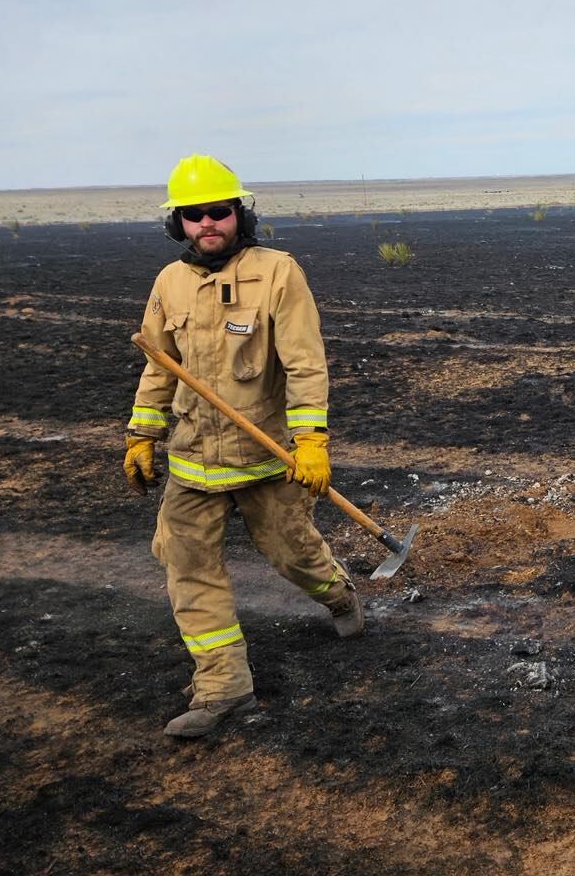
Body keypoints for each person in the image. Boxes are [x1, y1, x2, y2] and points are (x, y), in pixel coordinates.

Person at [123, 153, 363, 739]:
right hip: (192, 459)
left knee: (294, 556)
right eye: (193, 214)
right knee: (188, 569)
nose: (207, 223)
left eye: (218, 210)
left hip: (265, 457)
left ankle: (338, 595)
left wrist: (311, 441)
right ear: (177, 223)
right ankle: (224, 686)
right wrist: (142, 434)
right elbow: (159, 365)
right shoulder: (169, 283)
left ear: (239, 213)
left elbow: (305, 364)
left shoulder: (278, 273)